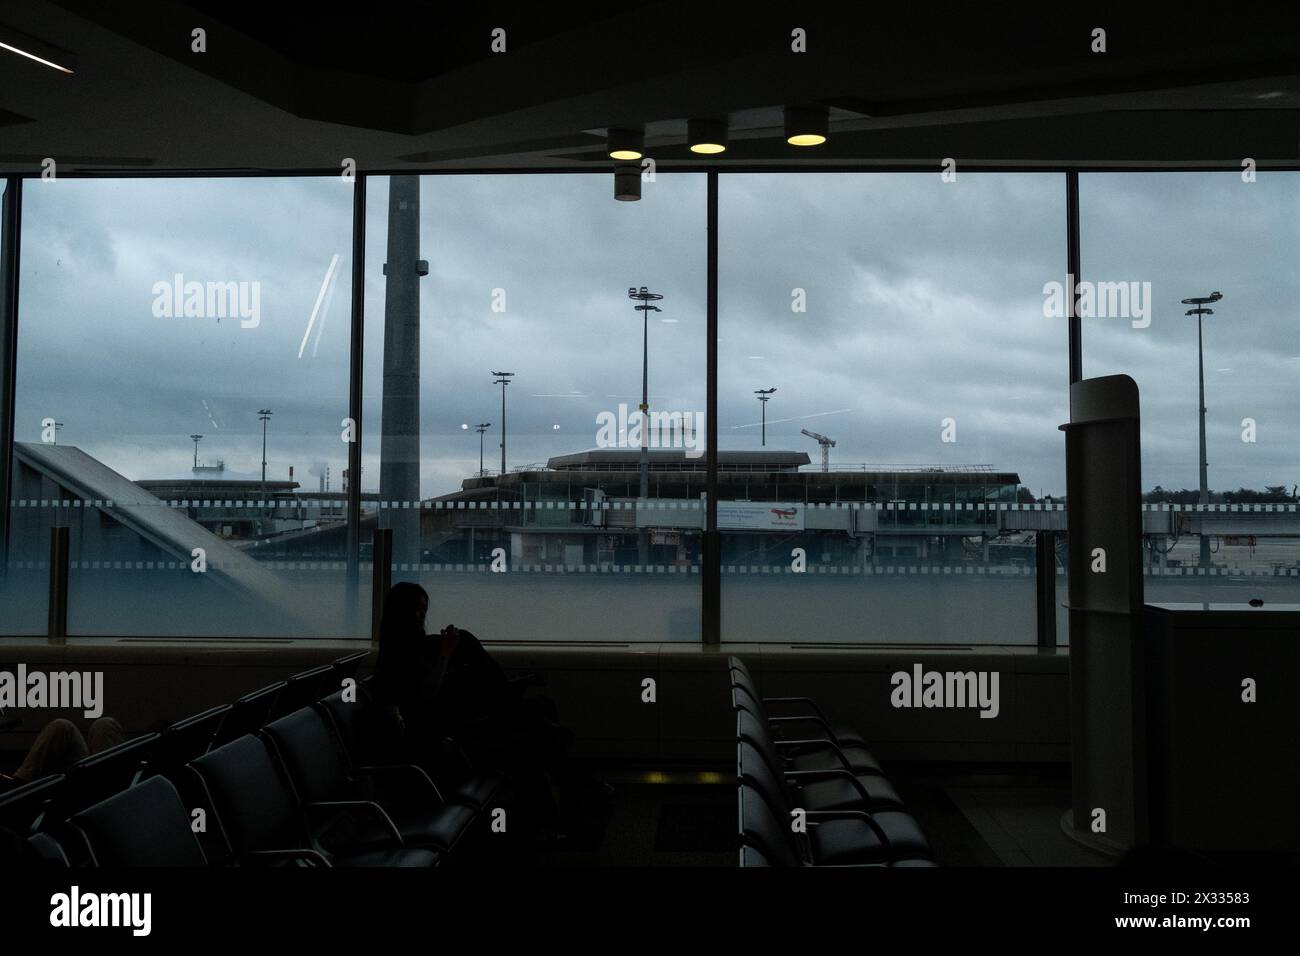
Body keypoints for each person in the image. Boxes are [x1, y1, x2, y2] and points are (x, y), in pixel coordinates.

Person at [372, 582, 572, 839]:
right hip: (442, 739)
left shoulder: (417, 648)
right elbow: (427, 697)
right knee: (528, 732)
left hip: (455, 726)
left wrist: (450, 649)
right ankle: (555, 809)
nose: (422, 616)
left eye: (424, 610)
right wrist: (445, 653)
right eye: (416, 610)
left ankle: (551, 814)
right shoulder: (398, 659)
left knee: (534, 717)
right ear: (401, 613)